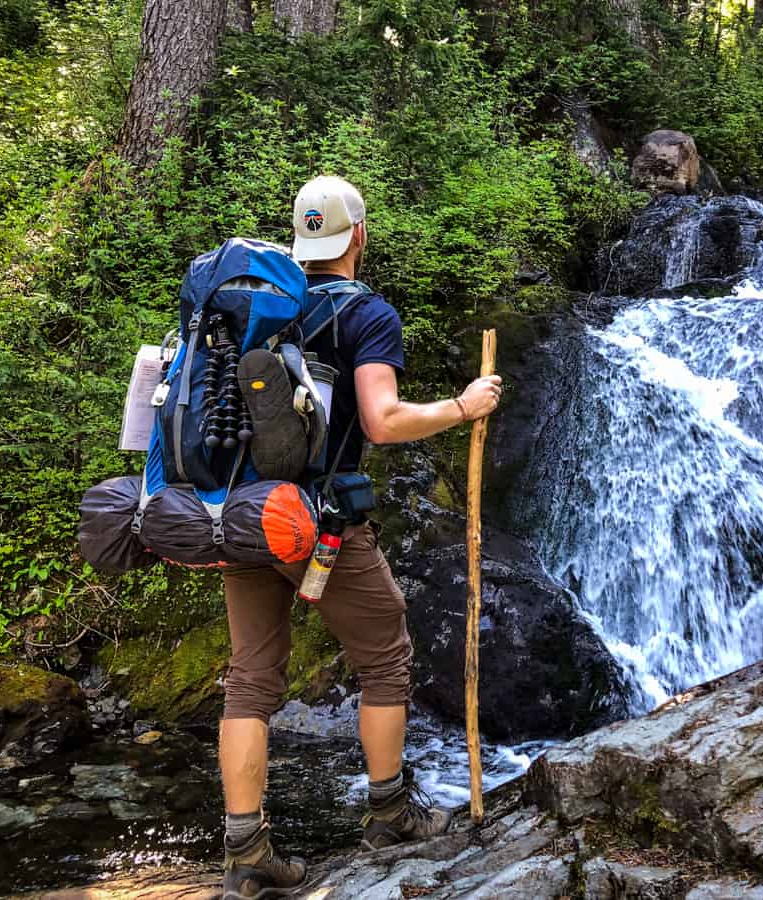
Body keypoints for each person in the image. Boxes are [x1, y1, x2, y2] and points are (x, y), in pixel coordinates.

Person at [220, 175, 503, 899]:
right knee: (385, 658)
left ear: (300, 241)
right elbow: (381, 421)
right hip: (315, 522)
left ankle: (247, 850)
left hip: (242, 516)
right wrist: (462, 406)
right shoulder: (368, 314)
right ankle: (388, 815)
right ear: (360, 237)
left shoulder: (255, 307)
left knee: (250, 678)